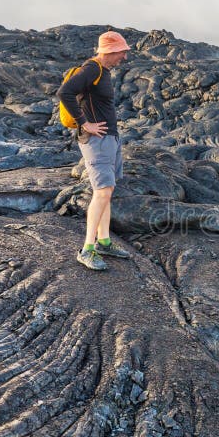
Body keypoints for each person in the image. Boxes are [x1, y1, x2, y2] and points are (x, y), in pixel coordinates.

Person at [57, 30, 132, 270]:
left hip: (109, 139)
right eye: (122, 52)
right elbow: (64, 92)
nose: (124, 57)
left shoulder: (103, 71)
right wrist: (84, 122)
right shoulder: (92, 69)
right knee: (102, 192)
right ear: (110, 51)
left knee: (107, 191)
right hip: (96, 141)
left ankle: (104, 241)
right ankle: (87, 249)